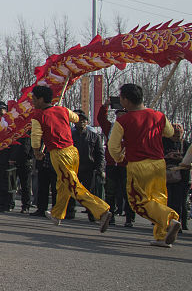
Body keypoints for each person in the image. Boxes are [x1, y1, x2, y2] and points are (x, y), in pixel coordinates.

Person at [107, 83, 181, 246]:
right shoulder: (158, 115)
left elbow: (113, 146)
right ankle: (161, 236)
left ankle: (169, 218)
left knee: (138, 202)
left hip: (138, 164)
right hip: (159, 164)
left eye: (121, 98)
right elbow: (169, 132)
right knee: (158, 199)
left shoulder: (123, 120)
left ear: (126, 100)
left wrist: (119, 158)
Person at [27, 85, 110, 229]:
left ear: (41, 99)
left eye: (34, 99)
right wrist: (61, 112)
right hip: (72, 152)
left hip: (59, 154)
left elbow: (35, 137)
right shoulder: (62, 110)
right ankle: (57, 214)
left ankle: (101, 210)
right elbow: (76, 118)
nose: (33, 102)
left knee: (73, 186)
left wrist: (36, 152)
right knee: (63, 184)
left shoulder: (38, 116)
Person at [98, 103, 135, 227]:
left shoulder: (132, 129)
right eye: (118, 115)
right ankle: (110, 216)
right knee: (110, 192)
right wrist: (106, 106)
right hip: (111, 165)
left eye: (123, 115)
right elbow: (101, 119)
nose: (120, 117)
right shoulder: (110, 127)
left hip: (125, 166)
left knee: (127, 192)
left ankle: (129, 218)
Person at [71, 109, 105, 219]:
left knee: (90, 193)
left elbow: (100, 155)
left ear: (87, 122)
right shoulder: (69, 135)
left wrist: (100, 168)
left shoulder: (95, 137)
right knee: (71, 191)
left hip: (89, 168)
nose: (81, 122)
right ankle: (69, 212)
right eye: (79, 120)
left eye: (84, 120)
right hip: (73, 168)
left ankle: (93, 214)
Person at [164, 124, 189, 231]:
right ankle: (167, 222)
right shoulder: (163, 142)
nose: (176, 137)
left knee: (180, 202)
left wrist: (182, 158)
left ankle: (179, 223)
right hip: (167, 174)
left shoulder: (186, 144)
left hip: (182, 176)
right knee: (168, 201)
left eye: (179, 135)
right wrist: (167, 156)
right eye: (174, 134)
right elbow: (157, 155)